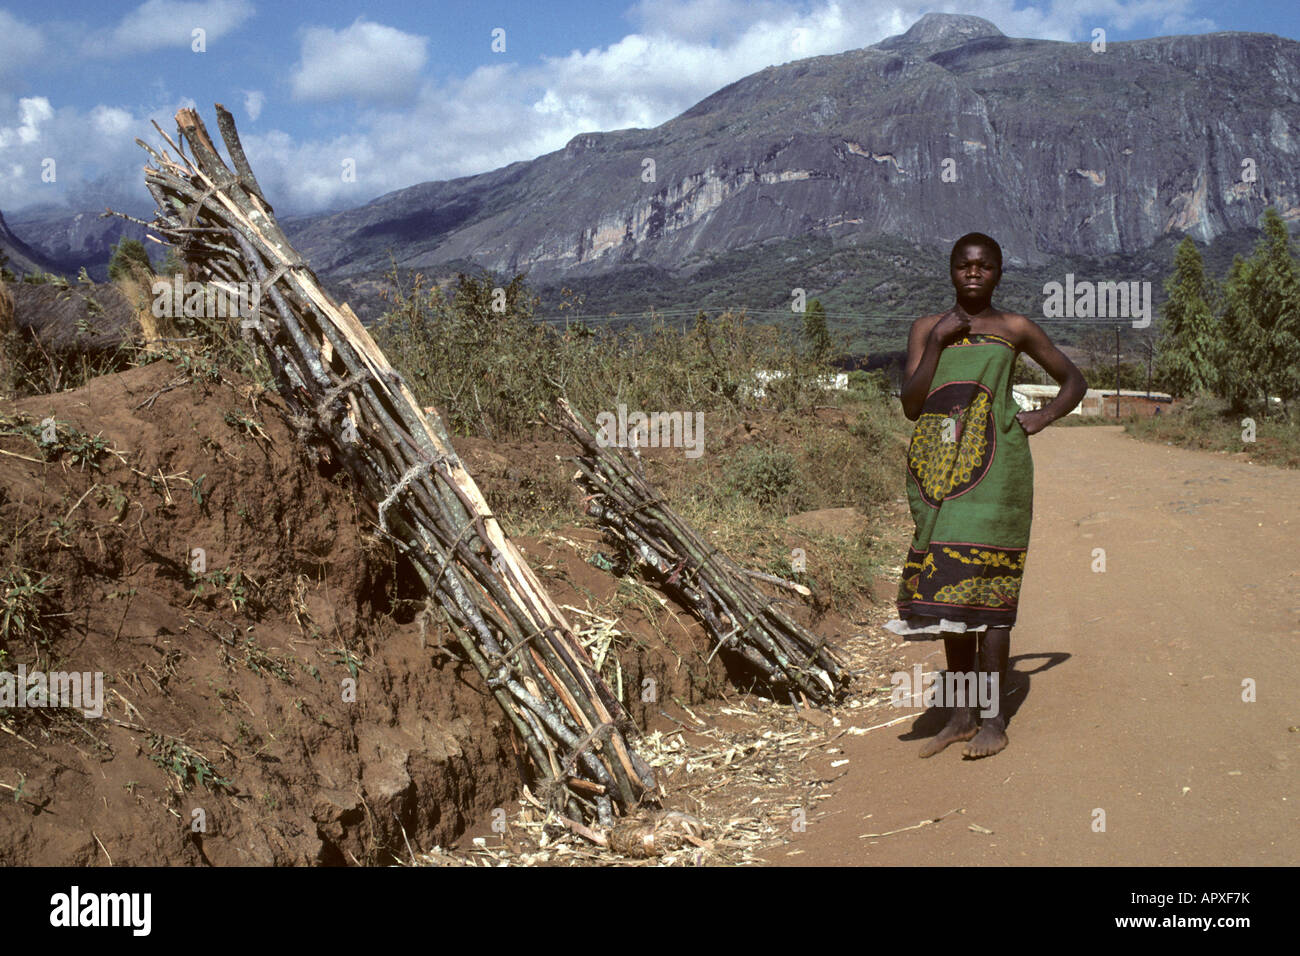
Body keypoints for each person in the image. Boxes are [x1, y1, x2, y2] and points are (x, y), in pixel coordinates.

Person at [884, 233, 1086, 758]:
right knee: (953, 598)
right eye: (964, 265)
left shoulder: (1014, 328)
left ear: (998, 273)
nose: (974, 273)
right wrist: (936, 343)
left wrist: (1040, 417)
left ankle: (994, 721)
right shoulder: (926, 328)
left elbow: (1073, 380)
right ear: (950, 270)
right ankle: (960, 717)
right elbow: (911, 403)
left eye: (985, 266)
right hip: (937, 473)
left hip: (997, 473)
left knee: (992, 602)